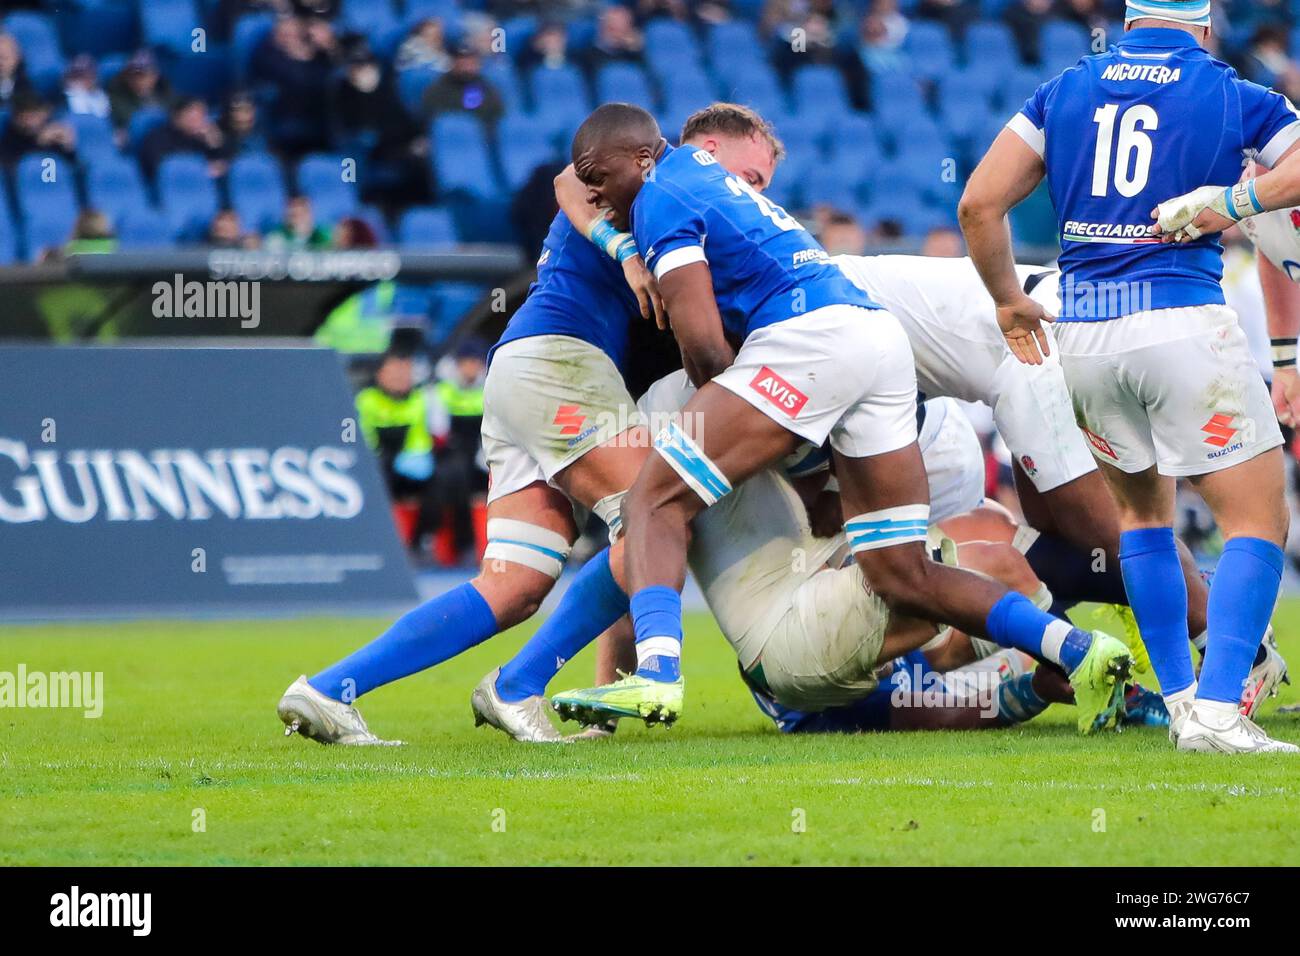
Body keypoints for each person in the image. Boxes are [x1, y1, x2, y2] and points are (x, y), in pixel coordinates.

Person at [551, 102, 1133, 731]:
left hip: (811, 346)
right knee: (901, 572)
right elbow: (572, 181)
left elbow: (705, 347)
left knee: (652, 502)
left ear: (643, 159)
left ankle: (659, 677)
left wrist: (724, 421)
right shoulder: (696, 176)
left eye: (604, 183)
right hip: (882, 345)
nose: (599, 197)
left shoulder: (661, 195)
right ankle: (1077, 650)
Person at [959, 2, 1300, 752]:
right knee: (1256, 520)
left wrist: (1010, 303)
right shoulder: (1229, 90)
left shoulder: (1063, 89)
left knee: (1143, 519)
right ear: (1204, 25)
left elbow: (978, 202)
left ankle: (1180, 702)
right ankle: (1217, 713)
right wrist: (1230, 203)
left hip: (1083, 338)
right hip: (1181, 324)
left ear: (1127, 21)